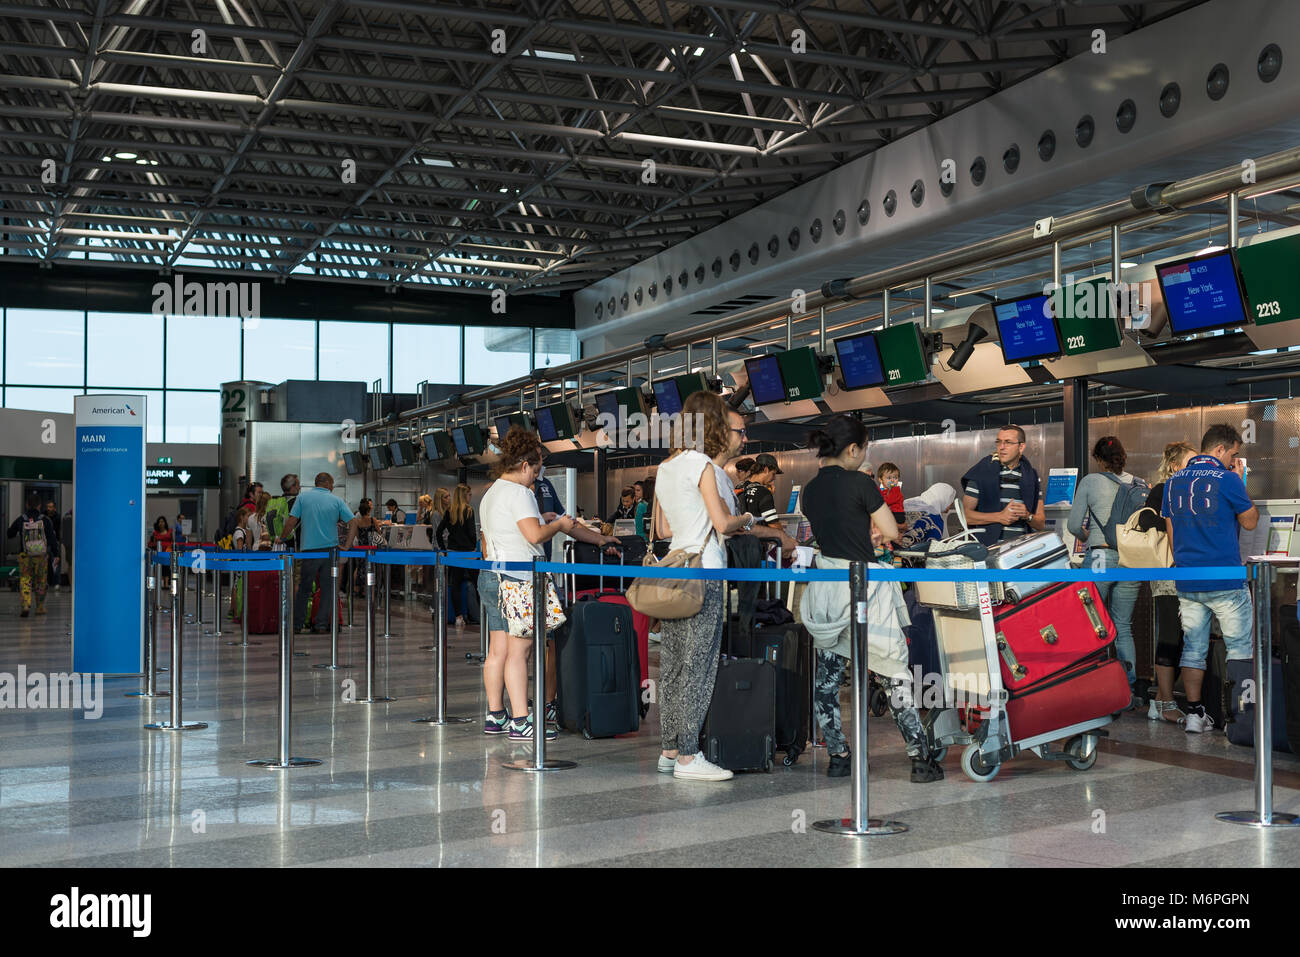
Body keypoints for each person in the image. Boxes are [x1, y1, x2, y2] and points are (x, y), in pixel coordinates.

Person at [799, 415, 945, 783]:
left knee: (828, 682)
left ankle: (838, 756)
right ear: (852, 450)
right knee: (893, 674)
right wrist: (877, 534)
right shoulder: (862, 485)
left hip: (829, 591)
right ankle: (920, 760)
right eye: (864, 449)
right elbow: (892, 531)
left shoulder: (810, 489)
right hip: (866, 590)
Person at [478, 427, 618, 741]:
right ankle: (521, 720)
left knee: (497, 651)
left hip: (491, 576)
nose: (537, 477)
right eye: (536, 470)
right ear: (524, 465)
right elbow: (534, 537)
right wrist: (555, 524)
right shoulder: (520, 493)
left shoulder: (492, 493)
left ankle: (495, 715)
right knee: (520, 653)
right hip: (519, 579)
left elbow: (492, 540)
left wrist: (556, 523)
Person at [654, 390, 755, 782]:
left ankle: (668, 750)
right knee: (699, 665)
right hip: (706, 573)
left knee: (675, 666)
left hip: (675, 570)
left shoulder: (666, 465)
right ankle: (688, 756)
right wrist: (745, 518)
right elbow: (722, 523)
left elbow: (662, 529)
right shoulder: (702, 465)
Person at [1163, 424, 1258, 734]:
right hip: (1225, 579)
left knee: (1193, 648)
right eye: (1233, 454)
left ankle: (1194, 714)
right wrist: (1241, 481)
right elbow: (1250, 522)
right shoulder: (1229, 479)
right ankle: (1240, 720)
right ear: (1220, 450)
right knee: (1240, 647)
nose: (1234, 460)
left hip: (1188, 578)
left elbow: (1171, 530)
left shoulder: (1173, 481)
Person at [1067, 436, 1145, 707]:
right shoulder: (1139, 484)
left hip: (1100, 556)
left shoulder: (1090, 482)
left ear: (1098, 460)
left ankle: (1092, 685)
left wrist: (1087, 534)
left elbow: (1074, 525)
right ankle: (1129, 688)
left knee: (1091, 622)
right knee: (1123, 625)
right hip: (1133, 560)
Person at [1141, 441, 1196, 723]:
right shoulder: (1163, 490)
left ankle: (1160, 701)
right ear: (1175, 466)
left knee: (1182, 635)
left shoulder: (1191, 490)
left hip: (1181, 571)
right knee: (1170, 633)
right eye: (1191, 461)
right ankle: (1166, 702)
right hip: (1166, 571)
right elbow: (1148, 521)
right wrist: (1174, 523)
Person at [276, 473, 354, 635]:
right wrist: (346, 545)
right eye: (332, 484)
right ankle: (320, 624)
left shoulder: (303, 498)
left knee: (304, 588)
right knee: (327, 589)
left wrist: (282, 538)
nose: (332, 487)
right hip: (330, 553)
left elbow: (292, 521)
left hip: (309, 552)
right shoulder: (337, 500)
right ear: (328, 483)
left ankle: (297, 625)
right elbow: (354, 522)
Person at [961, 424, 1045, 547]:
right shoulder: (981, 473)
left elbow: (1041, 523)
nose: (1001, 447)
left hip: (1021, 553)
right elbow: (965, 516)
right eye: (998, 442)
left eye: (1008, 442)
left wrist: (1027, 515)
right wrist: (999, 517)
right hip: (987, 552)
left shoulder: (1032, 477)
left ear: (1021, 447)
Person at [6, 493, 56, 617]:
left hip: (25, 556)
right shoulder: (45, 520)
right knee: (41, 581)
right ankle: (39, 607)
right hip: (41, 556)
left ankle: (26, 605)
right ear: (39, 505)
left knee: (25, 580)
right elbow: (52, 538)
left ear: (27, 505)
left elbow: (10, 534)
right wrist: (55, 553)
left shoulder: (21, 519)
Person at [438, 483, 479, 626]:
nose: (470, 496)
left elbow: (438, 532)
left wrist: (444, 549)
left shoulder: (450, 511)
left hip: (453, 553)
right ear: (464, 495)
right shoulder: (469, 510)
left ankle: (458, 617)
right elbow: (471, 532)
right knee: (477, 583)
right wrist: (474, 547)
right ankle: (481, 615)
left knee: (455, 584)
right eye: (469, 494)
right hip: (469, 553)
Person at [897, 483, 957, 549]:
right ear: (943, 499)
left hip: (891, 549)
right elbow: (933, 547)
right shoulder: (935, 517)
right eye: (950, 501)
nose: (951, 505)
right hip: (912, 555)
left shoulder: (908, 503)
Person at [344, 499, 385, 596]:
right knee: (372, 568)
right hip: (371, 547)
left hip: (361, 548)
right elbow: (378, 533)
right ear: (368, 511)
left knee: (359, 568)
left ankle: (357, 588)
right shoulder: (373, 520)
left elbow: (357, 536)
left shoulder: (357, 522)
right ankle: (370, 589)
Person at [738, 453, 783, 527]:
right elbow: (774, 525)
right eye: (773, 474)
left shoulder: (739, 487)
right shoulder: (763, 492)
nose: (774, 478)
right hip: (757, 537)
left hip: (739, 536)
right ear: (766, 470)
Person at [532, 461, 565, 560]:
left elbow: (561, 516)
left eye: (541, 455)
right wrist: (541, 519)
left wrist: (599, 539)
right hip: (521, 563)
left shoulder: (545, 483)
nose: (539, 460)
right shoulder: (516, 489)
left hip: (545, 554)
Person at [265, 474, 300, 548]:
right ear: (292, 487)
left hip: (277, 543)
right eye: (298, 485)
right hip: (292, 543)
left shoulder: (277, 502)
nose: (299, 487)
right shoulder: (296, 502)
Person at [149, 516, 174, 587]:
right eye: (160, 522)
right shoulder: (155, 533)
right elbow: (152, 543)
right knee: (160, 568)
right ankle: (160, 583)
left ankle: (166, 584)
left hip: (167, 553)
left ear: (165, 523)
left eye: (162, 521)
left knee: (166, 568)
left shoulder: (170, 531)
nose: (161, 523)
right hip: (158, 553)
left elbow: (172, 542)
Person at [43, 501, 61, 589]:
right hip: (44, 542)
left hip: (54, 542)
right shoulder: (43, 516)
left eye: (50, 507)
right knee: (45, 563)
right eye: (47, 507)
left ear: (54, 508)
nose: (48, 509)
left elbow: (58, 531)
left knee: (55, 562)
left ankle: (56, 582)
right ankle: (46, 581)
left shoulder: (57, 517)